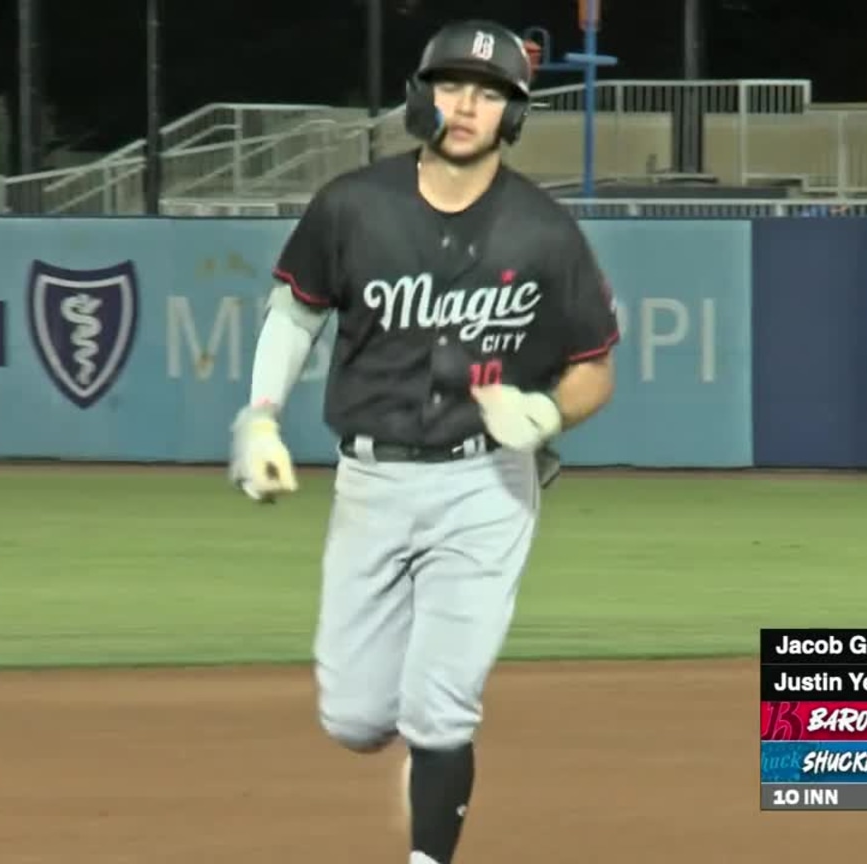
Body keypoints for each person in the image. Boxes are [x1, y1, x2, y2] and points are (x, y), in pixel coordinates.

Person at [227, 18, 620, 864]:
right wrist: (259, 415)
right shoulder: (353, 206)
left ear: (512, 115)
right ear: (420, 96)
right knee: (356, 717)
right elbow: (296, 313)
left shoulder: (545, 233)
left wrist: (548, 415)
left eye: (489, 93)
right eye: (451, 86)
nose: (467, 105)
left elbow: (594, 367)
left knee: (440, 708)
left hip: (487, 488)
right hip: (370, 482)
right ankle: (413, 742)